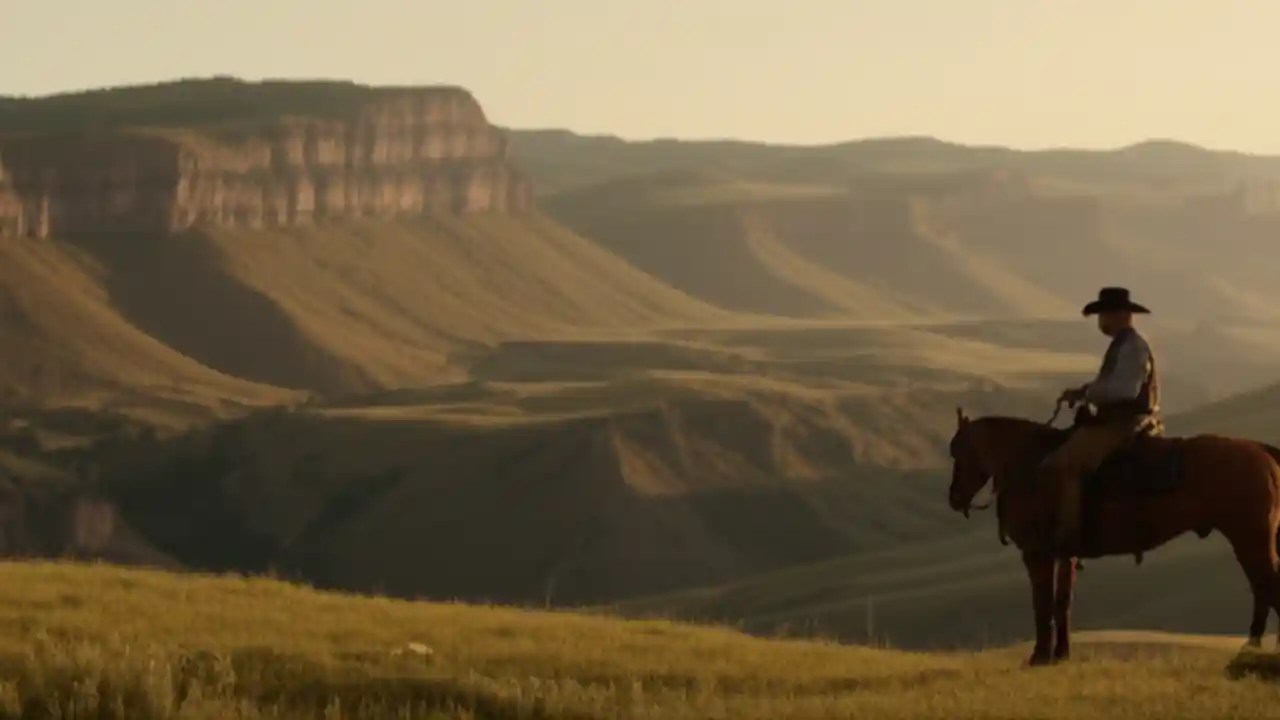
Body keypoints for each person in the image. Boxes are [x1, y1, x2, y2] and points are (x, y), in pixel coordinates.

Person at [1043, 287, 1161, 554]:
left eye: (1103, 315)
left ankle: (1070, 535)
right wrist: (1083, 392)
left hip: (1125, 422)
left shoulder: (1132, 347)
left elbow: (1124, 391)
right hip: (1119, 419)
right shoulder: (1123, 344)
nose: (1101, 321)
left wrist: (1087, 393)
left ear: (1119, 315)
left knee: (1066, 463)